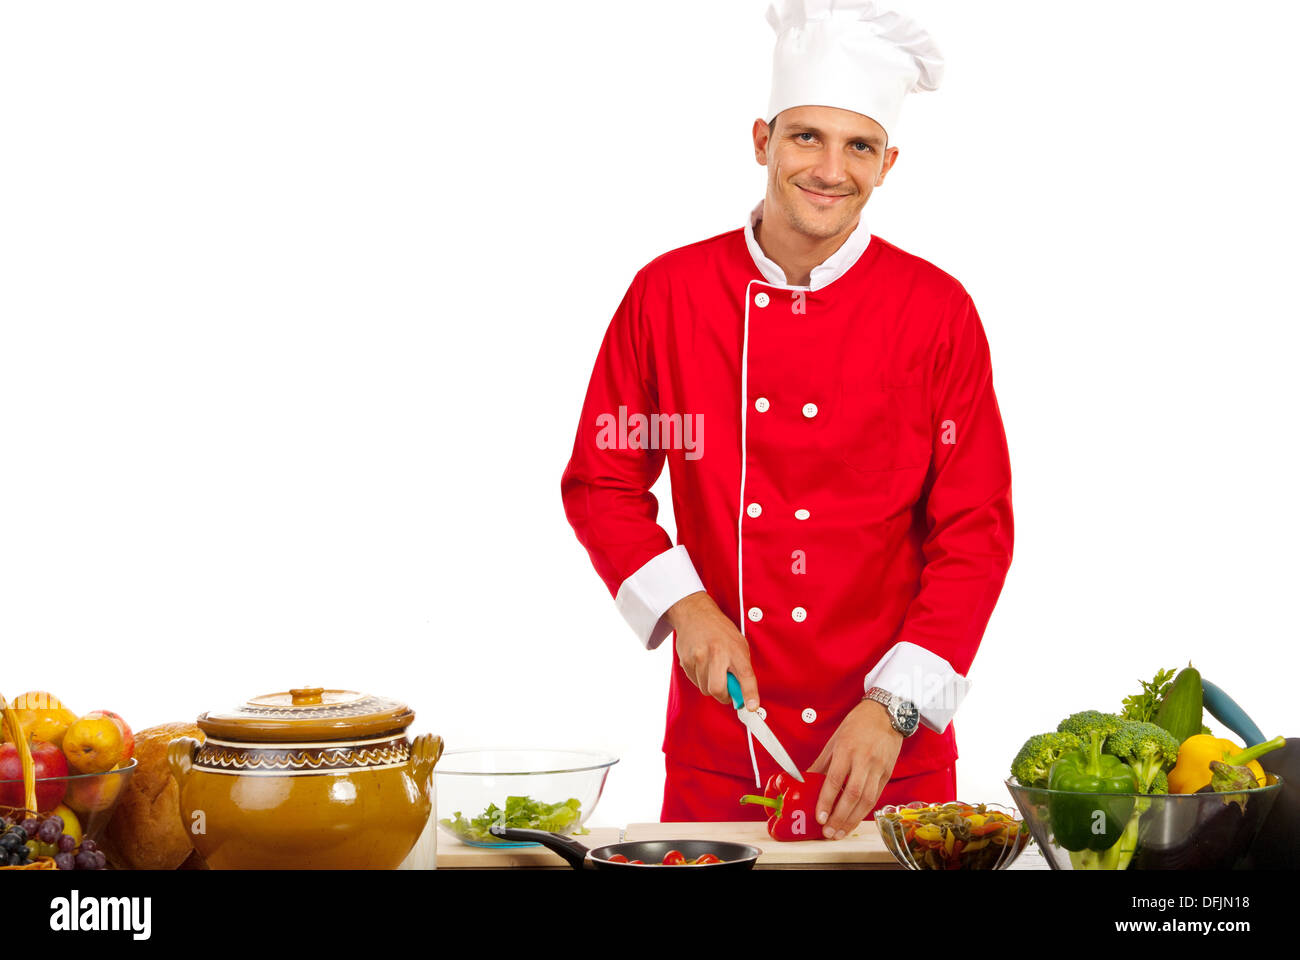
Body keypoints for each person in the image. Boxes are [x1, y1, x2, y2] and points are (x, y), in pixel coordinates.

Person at [561, 0, 1013, 839]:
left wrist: (898, 710)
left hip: (891, 755)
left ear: (889, 164)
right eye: (807, 136)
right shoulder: (669, 297)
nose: (831, 169)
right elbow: (605, 478)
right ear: (762, 140)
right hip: (723, 747)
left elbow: (976, 534)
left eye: (860, 146)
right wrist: (684, 606)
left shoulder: (937, 313)